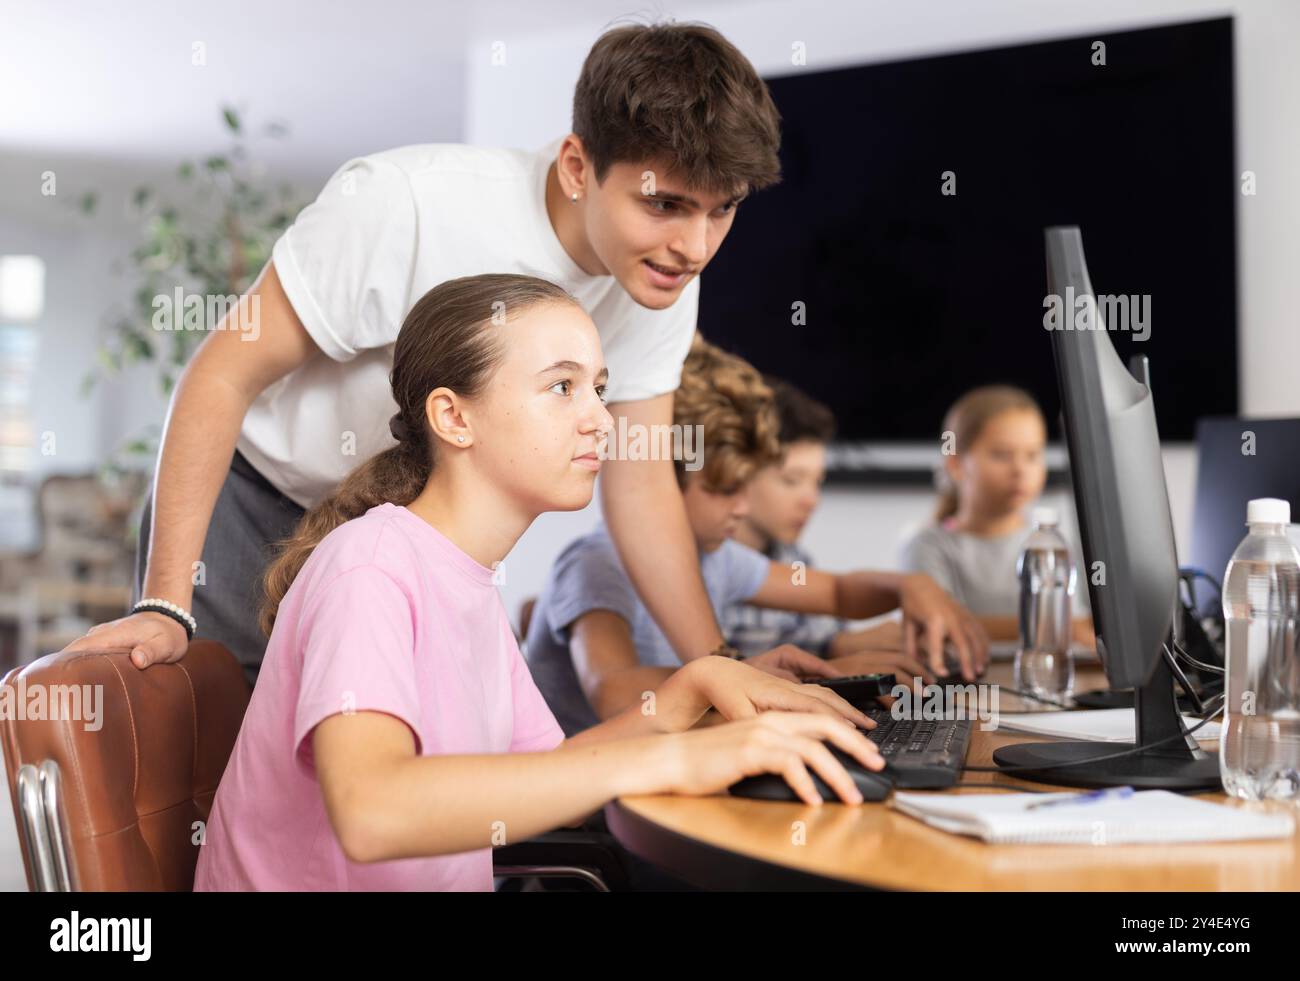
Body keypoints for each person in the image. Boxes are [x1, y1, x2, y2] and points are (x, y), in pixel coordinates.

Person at [67, 22, 795, 686]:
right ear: (578, 167)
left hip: (399, 541)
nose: (695, 246)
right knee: (222, 787)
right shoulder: (405, 203)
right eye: (665, 204)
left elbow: (638, 479)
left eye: (721, 209)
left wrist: (724, 669)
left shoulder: (662, 278)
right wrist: (166, 603)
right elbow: (220, 376)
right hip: (255, 507)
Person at [193, 275, 883, 891]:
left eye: (600, 389)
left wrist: (687, 691)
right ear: (453, 416)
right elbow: (373, 810)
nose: (600, 418)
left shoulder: (464, 578)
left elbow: (549, 773)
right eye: (562, 387)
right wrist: (673, 756)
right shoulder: (369, 567)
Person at [526, 336, 983, 738]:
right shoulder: (596, 564)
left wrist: (908, 587)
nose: (742, 509)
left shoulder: (718, 557)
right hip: (594, 813)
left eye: (747, 489)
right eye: (725, 491)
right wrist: (776, 683)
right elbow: (612, 689)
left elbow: (839, 593)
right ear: (660, 477)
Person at [900, 384, 1092, 643]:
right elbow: (938, 627)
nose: (1020, 469)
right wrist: (1052, 625)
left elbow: (1086, 622)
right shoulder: (929, 545)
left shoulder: (1060, 539)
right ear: (956, 465)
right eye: (1002, 455)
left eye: (1033, 455)